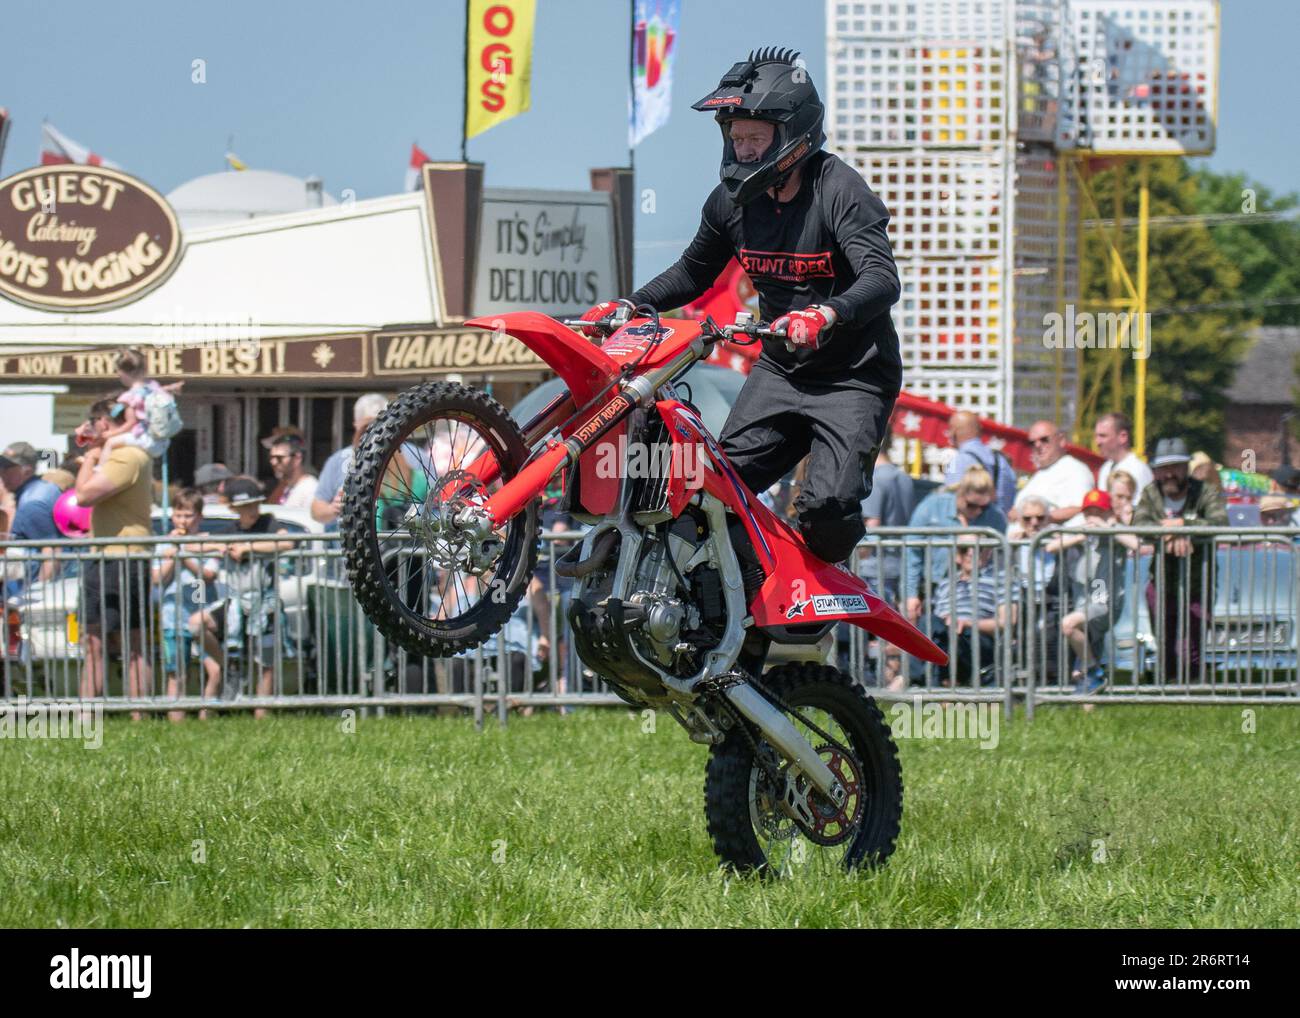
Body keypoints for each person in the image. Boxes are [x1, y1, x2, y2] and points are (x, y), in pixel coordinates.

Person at [579, 48, 902, 566]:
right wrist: (631, 304)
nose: (745, 151)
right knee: (715, 491)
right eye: (737, 138)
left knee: (828, 509)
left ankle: (811, 586)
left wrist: (826, 313)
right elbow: (692, 273)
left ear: (792, 134)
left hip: (853, 378)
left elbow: (882, 279)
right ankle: (739, 601)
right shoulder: (729, 203)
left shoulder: (840, 189)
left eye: (756, 138)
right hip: (780, 373)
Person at [72, 399, 155, 718]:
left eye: (96, 422)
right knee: (92, 639)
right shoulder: (114, 454)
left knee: (132, 642)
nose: (92, 429)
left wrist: (90, 456)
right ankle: (87, 716)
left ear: (108, 423)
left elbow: (83, 495)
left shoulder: (128, 456)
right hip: (104, 556)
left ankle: (139, 717)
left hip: (125, 558)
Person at [1131, 437, 1228, 681]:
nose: (1169, 474)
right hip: (1162, 580)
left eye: (1175, 467)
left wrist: (1184, 525)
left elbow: (1219, 522)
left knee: (1191, 645)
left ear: (1186, 467)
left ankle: (1191, 690)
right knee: (1164, 640)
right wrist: (1168, 533)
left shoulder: (1205, 491)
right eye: (1163, 468)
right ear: (1155, 471)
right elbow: (1139, 524)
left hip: (1197, 582)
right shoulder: (1150, 493)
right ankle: (1167, 688)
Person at [216, 478, 294, 719]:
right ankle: (232, 689)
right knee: (222, 640)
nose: (251, 511)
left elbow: (287, 541)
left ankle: (262, 711)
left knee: (265, 657)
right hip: (236, 603)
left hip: (265, 601)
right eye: (245, 506)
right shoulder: (231, 530)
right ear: (233, 509)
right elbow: (205, 543)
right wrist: (222, 548)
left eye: (254, 505)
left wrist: (248, 547)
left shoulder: (268, 523)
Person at [1045, 490, 1136, 695]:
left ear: (1108, 512)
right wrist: (1078, 536)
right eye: (1089, 512)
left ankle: (1095, 671)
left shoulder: (1113, 530)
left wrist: (1106, 527)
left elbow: (1136, 544)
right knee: (1080, 675)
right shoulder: (1081, 531)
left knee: (1068, 624)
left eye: (1098, 511)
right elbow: (1050, 547)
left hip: (1102, 599)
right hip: (1083, 600)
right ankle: (1090, 701)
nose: (1093, 516)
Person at [151, 488, 223, 722]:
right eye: (179, 515)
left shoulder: (207, 543)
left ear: (199, 517)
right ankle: (176, 723)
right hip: (173, 616)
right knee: (177, 673)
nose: (183, 521)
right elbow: (157, 578)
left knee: (214, 669)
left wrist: (184, 555)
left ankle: (206, 718)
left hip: (201, 614)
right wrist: (171, 557)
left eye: (188, 516)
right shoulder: (164, 545)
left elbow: (208, 575)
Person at [904, 465, 1006, 622]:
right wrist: (910, 594)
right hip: (932, 590)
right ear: (959, 493)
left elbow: (1002, 558)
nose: (978, 511)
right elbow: (911, 552)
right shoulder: (932, 505)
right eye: (972, 505)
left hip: (977, 595)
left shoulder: (995, 517)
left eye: (984, 507)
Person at [313, 393, 423, 527]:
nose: (374, 434)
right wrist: (333, 508)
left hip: (402, 542)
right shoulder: (338, 460)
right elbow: (316, 509)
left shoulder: (414, 455)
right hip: (350, 542)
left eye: (379, 426)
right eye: (366, 428)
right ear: (356, 426)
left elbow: (437, 502)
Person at [855, 447, 913, 689]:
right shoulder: (904, 478)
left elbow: (872, 524)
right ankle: (892, 678)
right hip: (897, 564)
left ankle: (882, 682)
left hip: (874, 566)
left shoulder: (877, 478)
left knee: (876, 629)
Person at [923, 535, 1012, 687]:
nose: (971, 553)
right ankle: (936, 686)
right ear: (957, 556)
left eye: (977, 549)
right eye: (965, 549)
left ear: (987, 553)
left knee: (943, 633)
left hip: (978, 636)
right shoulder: (945, 585)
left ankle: (922, 683)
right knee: (929, 623)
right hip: (946, 634)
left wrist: (967, 623)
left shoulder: (1000, 580)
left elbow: (1006, 622)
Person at [1013, 494, 1065, 685]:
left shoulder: (1059, 541)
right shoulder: (1013, 544)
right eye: (1027, 518)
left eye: (1040, 518)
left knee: (1051, 636)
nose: (1034, 523)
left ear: (1048, 519)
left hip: (1053, 599)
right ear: (1020, 520)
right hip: (1023, 600)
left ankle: (1053, 682)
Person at [99, 348, 183, 460]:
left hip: (145, 439)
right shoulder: (152, 386)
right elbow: (158, 391)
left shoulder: (129, 397)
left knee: (110, 443)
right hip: (162, 441)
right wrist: (171, 388)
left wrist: (112, 433)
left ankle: (100, 470)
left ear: (122, 373)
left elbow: (131, 423)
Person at [0, 442, 61, 591]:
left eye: (7, 468)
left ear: (27, 471)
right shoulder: (44, 488)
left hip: (36, 591)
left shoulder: (32, 503)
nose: (2, 473)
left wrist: (42, 590)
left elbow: (52, 550)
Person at [1011, 421, 1096, 524]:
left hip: (1056, 538)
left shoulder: (1075, 470)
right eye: (1032, 443)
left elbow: (1083, 508)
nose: (1037, 445)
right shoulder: (1037, 475)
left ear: (1061, 440)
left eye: (1044, 440)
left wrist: (1039, 517)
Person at [942, 412, 1016, 514]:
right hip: (999, 525)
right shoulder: (1002, 460)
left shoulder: (953, 462)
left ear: (954, 432)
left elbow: (948, 500)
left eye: (949, 430)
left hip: (969, 526)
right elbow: (1010, 497)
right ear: (980, 431)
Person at [1094, 412, 1154, 493]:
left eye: (1103, 436)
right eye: (1096, 436)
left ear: (1123, 437)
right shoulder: (1105, 468)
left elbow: (1141, 505)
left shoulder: (1137, 470)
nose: (1097, 442)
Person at [263, 430, 318, 511]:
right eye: (271, 458)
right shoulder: (287, 486)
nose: (273, 462)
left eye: (279, 458)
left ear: (297, 458)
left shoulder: (310, 490)